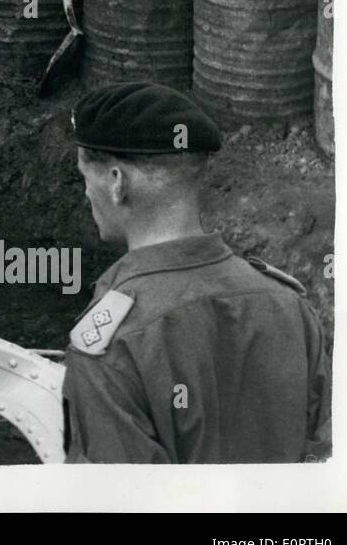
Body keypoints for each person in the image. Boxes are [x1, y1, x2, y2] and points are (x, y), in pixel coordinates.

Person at [64, 82, 333, 463]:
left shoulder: (113, 344)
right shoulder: (289, 306)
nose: (84, 194)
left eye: (84, 177)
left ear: (116, 183)